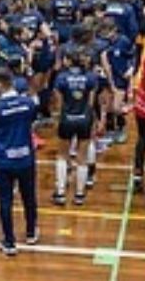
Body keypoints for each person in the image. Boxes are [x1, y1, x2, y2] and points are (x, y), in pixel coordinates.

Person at [0, 67, 39, 257]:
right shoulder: (28, 103)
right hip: (25, 158)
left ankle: (9, 241)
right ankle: (31, 232)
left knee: (5, 200)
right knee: (29, 197)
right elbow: (32, 122)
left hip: (4, 160)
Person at [52, 51, 99, 206]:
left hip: (67, 118)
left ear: (69, 61)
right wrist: (91, 119)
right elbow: (91, 103)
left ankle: (60, 193)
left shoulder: (61, 78)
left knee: (62, 155)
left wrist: (58, 117)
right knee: (82, 158)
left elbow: (58, 102)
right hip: (84, 119)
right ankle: (79, 194)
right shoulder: (91, 77)